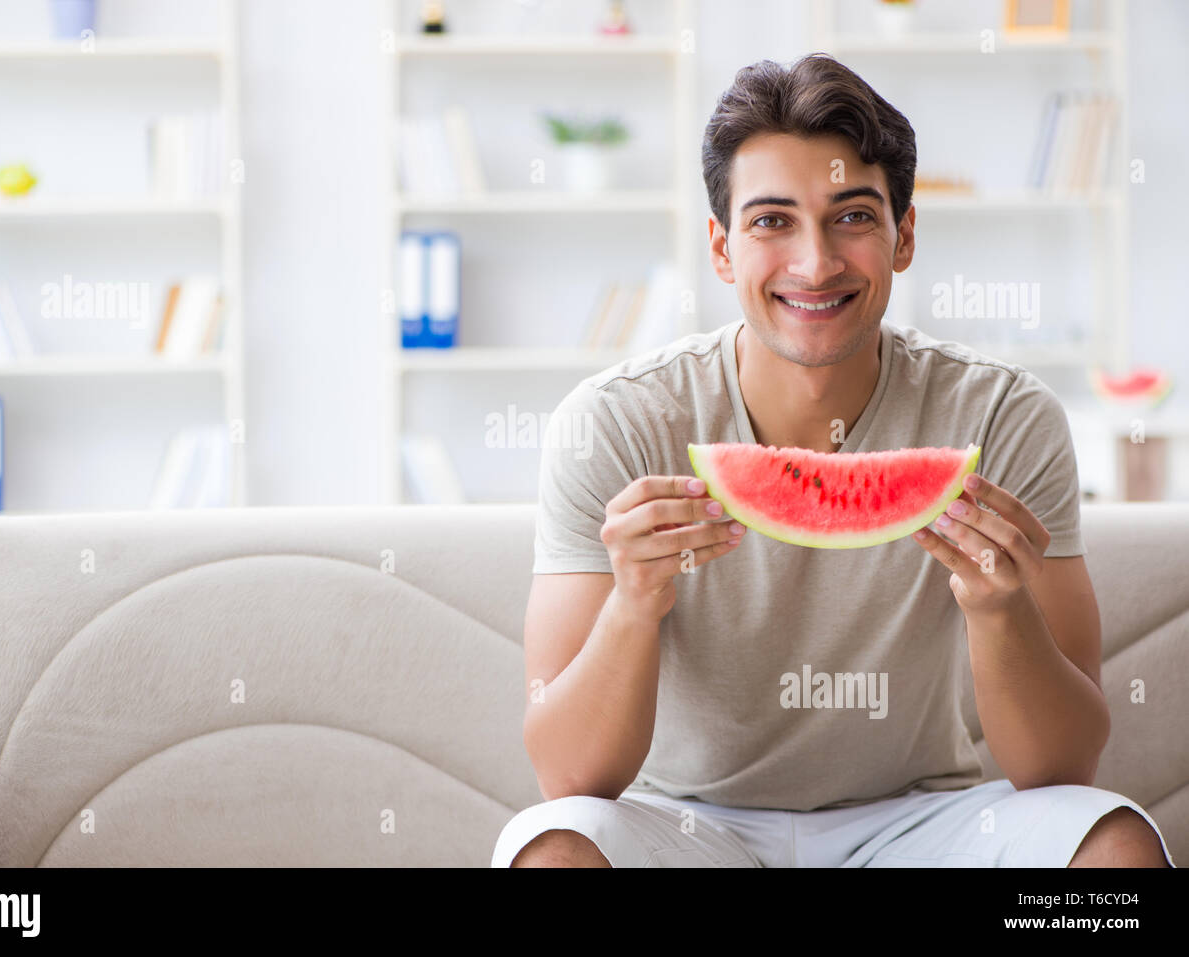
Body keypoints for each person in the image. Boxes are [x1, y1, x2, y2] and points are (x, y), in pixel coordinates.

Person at [492, 53, 1174, 868]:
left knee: (1116, 849)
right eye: (771, 221)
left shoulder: (1000, 417)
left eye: (852, 216)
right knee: (554, 851)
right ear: (721, 247)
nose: (815, 263)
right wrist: (634, 604)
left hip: (922, 824)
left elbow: (1061, 767)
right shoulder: (615, 424)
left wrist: (1000, 611)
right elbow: (567, 775)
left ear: (904, 234)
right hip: (682, 827)